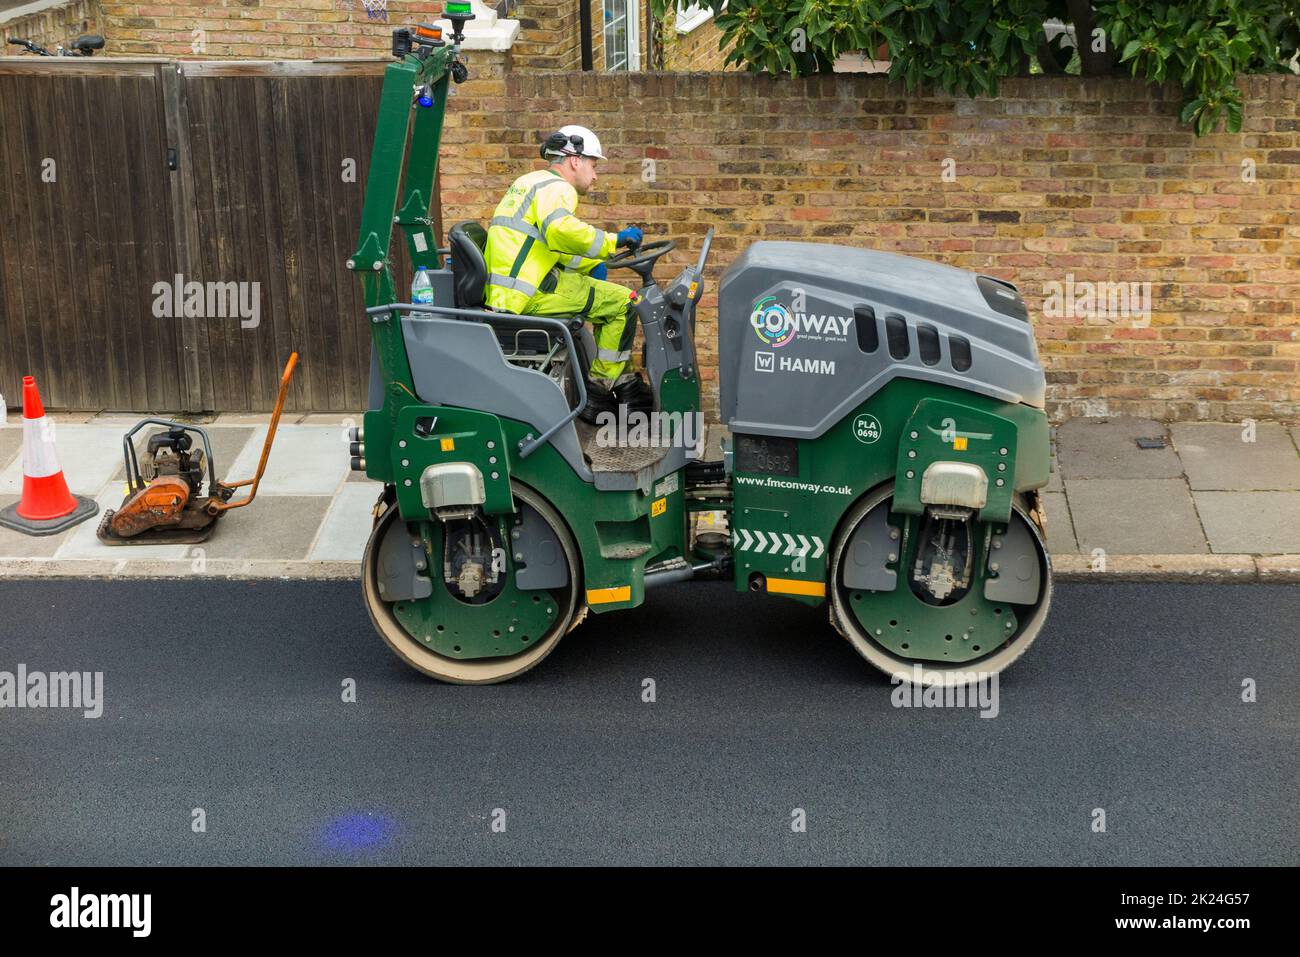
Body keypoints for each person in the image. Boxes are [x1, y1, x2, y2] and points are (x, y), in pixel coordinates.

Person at [484, 124, 653, 424]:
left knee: (609, 301)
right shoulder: (558, 187)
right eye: (593, 164)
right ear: (575, 160)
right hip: (530, 295)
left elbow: (543, 246)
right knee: (626, 303)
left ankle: (617, 384)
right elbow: (560, 230)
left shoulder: (530, 182)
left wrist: (592, 264)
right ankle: (601, 394)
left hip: (513, 291)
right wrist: (614, 242)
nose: (596, 174)